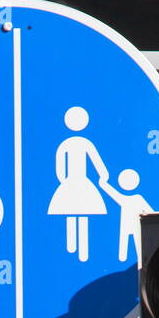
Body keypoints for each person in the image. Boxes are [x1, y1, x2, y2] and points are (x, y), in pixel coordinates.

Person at [47, 107, 109, 263]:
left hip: (72, 182)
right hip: (79, 182)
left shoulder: (68, 144)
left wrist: (64, 181)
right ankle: (77, 250)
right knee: (78, 213)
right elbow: (97, 163)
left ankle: (75, 248)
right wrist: (103, 175)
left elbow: (59, 167)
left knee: (74, 213)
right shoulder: (82, 143)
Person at [98, 168, 154, 262]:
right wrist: (103, 184)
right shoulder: (133, 199)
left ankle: (132, 260)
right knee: (125, 245)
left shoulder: (136, 198)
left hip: (136, 225)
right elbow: (113, 194)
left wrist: (104, 184)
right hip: (128, 225)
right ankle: (123, 259)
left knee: (136, 244)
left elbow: (152, 214)